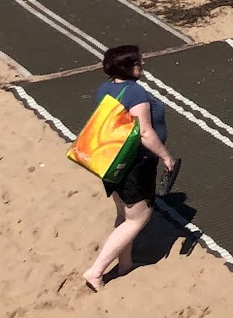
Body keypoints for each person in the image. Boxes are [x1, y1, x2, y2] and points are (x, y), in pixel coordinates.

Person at [80, 45, 180, 291]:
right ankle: (95, 271)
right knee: (139, 218)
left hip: (111, 161)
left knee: (124, 214)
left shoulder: (105, 88)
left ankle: (125, 264)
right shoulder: (135, 93)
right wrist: (166, 157)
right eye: (138, 62)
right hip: (135, 164)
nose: (142, 64)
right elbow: (144, 132)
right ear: (127, 67)